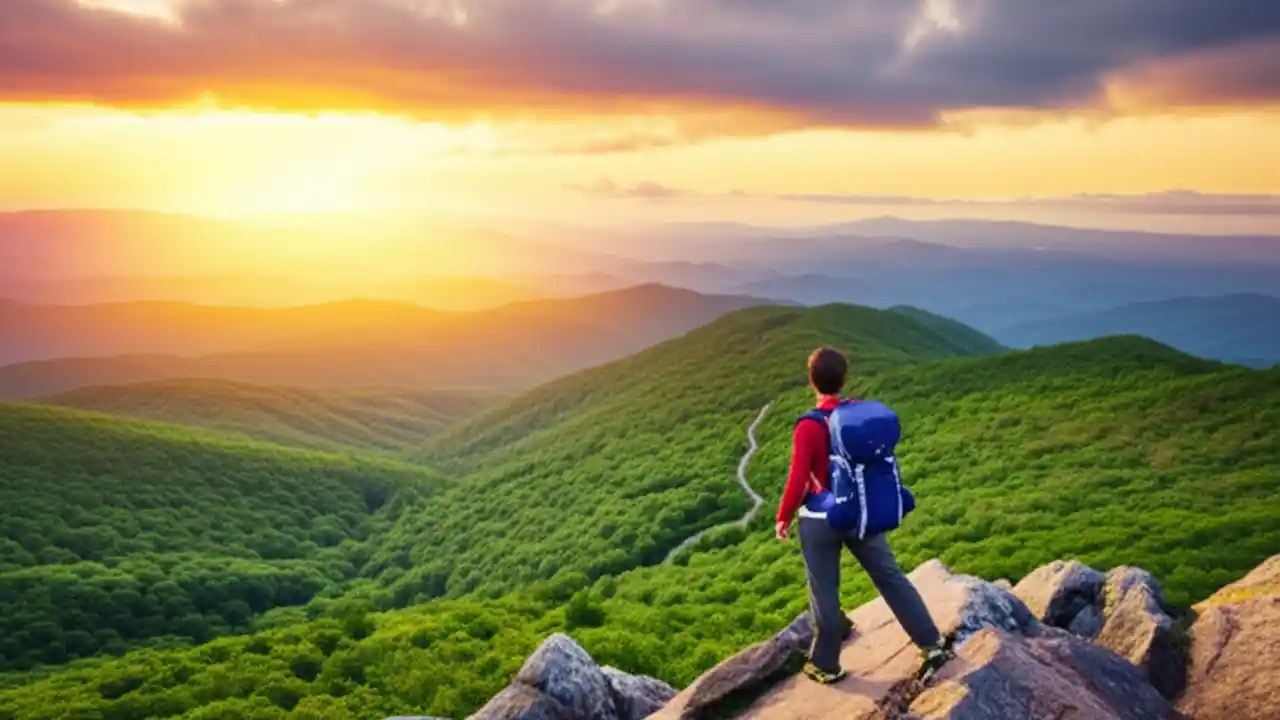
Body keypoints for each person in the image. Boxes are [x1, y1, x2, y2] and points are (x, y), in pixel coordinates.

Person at [775, 347, 952, 684]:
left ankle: (825, 665)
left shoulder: (809, 426)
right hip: (861, 511)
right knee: (890, 577)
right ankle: (931, 645)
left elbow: (798, 478)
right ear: (844, 378)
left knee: (824, 592)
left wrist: (783, 516)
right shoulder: (857, 416)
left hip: (820, 519)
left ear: (811, 380)